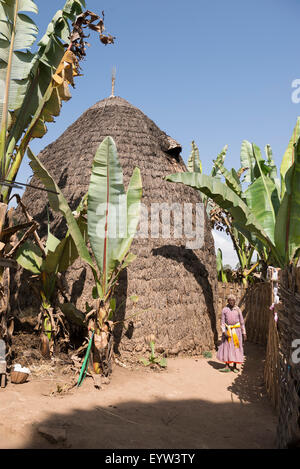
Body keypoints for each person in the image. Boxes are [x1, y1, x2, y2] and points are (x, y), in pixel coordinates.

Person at [217, 294, 246, 373]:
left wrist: (244, 333)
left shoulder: (238, 310)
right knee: (227, 347)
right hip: (228, 331)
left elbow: (242, 322)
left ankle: (235, 366)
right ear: (228, 301)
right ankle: (227, 365)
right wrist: (224, 331)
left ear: (235, 301)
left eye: (233, 300)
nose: (231, 302)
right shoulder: (225, 310)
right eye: (230, 300)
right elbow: (222, 322)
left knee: (236, 347)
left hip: (236, 332)